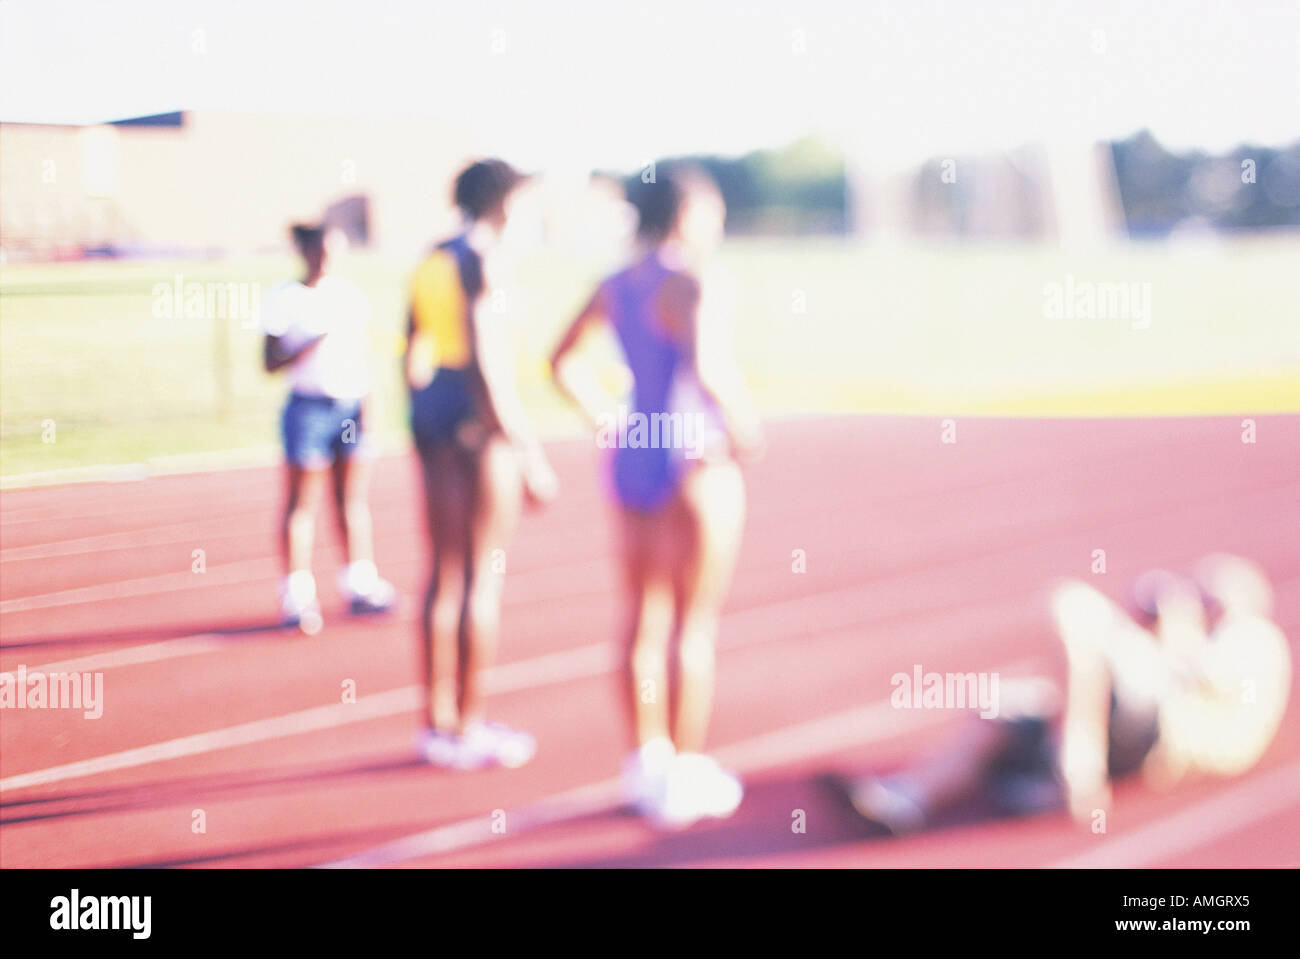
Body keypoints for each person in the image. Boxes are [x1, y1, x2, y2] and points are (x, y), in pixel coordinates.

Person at [550, 165, 764, 828]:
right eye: (712, 208)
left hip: (634, 452)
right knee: (691, 624)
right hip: (692, 459)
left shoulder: (616, 282)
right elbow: (706, 369)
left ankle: (647, 762)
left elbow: (558, 360)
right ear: (685, 214)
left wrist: (605, 421)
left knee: (640, 618)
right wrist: (749, 428)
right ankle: (686, 772)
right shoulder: (693, 281)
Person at [835, 554, 1291, 834]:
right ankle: (907, 799)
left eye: (1205, 590)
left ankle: (1075, 763)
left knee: (1071, 603)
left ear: (1239, 597)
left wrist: (1178, 621)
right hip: (1142, 734)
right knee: (999, 710)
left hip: (1163, 735)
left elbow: (1196, 674)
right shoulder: (1216, 638)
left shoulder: (1254, 635)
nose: (1195, 596)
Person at [405, 159, 557, 770]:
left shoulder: (432, 255)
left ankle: (439, 723)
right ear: (500, 200)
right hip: (475, 422)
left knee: (442, 575)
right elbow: (488, 365)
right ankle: (466, 727)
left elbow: (412, 344)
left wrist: (420, 414)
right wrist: (528, 451)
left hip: (434, 409)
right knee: (479, 577)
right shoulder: (483, 258)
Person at [262, 224, 396, 634]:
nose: (326, 259)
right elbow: (268, 362)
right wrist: (308, 345)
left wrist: (369, 409)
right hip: (308, 409)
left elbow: (363, 356)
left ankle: (359, 584)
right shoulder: (285, 298)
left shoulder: (349, 296)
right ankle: (297, 596)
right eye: (319, 251)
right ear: (304, 251)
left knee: (351, 499)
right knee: (301, 502)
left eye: (333, 251)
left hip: (350, 409)